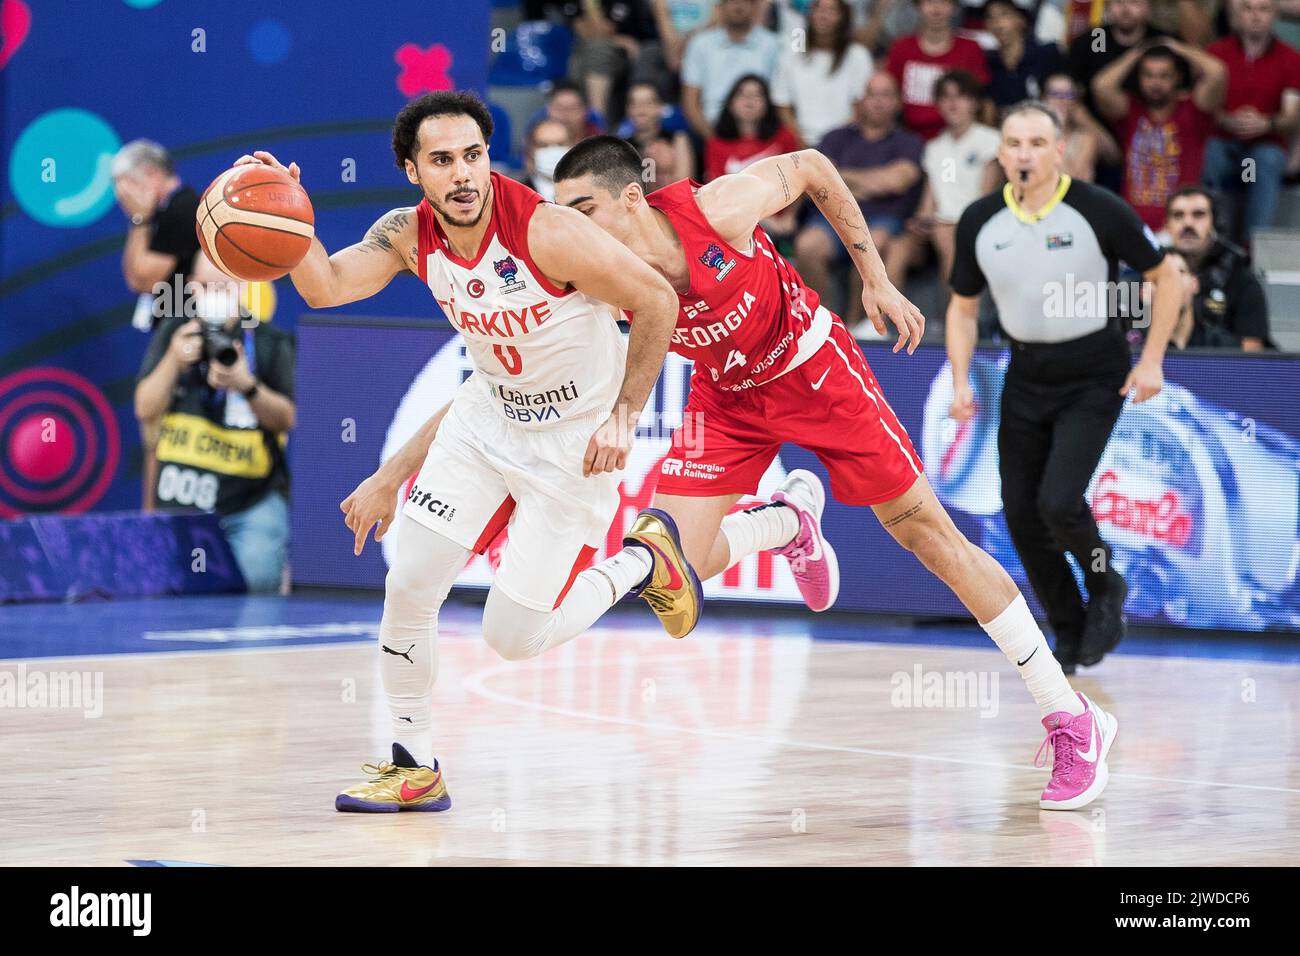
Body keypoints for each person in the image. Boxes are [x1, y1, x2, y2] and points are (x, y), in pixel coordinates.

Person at [556, 135, 1120, 812]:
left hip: (814, 373)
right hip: (727, 398)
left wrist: (876, 278)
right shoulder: (592, 271)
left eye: (581, 208)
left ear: (629, 198)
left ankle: (1070, 715)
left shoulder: (719, 208)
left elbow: (816, 166)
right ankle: (786, 523)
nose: (568, 227)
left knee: (930, 540)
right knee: (674, 568)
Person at [236, 91, 697, 811]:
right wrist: (291, 223)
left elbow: (659, 300)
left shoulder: (546, 232)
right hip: (487, 420)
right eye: (442, 160)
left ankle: (646, 559)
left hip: (573, 441)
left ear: (490, 159)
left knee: (513, 637)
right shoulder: (405, 235)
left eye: (473, 156)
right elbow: (324, 288)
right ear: (413, 170)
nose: (462, 175)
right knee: (410, 580)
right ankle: (413, 764)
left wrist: (626, 413)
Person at [945, 102, 1182, 675]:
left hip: (1094, 373)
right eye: (1014, 143)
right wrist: (959, 381)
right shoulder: (980, 220)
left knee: (1058, 502)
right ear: (1000, 153)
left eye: (1036, 143)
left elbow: (1167, 278)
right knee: (1021, 514)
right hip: (1024, 374)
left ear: (1060, 150)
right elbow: (962, 308)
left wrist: (1151, 361)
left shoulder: (1098, 209)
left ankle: (1105, 584)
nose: (1024, 153)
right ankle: (1068, 628)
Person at [134, 251, 296, 593]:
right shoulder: (173, 333)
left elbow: (289, 419)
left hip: (249, 502)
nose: (216, 295)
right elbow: (144, 408)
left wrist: (246, 384)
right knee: (170, 595)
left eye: (225, 286)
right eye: (208, 287)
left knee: (257, 582)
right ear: (191, 288)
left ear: (243, 287)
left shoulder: (268, 341)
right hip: (181, 502)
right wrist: (173, 362)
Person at [112, 139, 204, 511]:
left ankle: (156, 526)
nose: (122, 199)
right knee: (155, 429)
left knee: (161, 430)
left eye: (126, 187)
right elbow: (135, 276)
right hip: (170, 329)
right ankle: (152, 525)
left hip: (186, 334)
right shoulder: (166, 211)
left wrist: (139, 219)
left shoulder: (182, 208)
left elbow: (144, 278)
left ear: (150, 175)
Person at [794, 73, 923, 325]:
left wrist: (840, 178)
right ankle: (823, 321)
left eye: (886, 95)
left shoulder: (909, 142)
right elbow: (815, 180)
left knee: (870, 242)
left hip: (883, 221)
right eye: (872, 95)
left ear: (897, 102)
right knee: (807, 245)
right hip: (833, 219)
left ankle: (856, 323)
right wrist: (872, 183)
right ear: (861, 101)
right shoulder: (835, 138)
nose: (878, 102)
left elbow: (896, 181)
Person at [1091, 39, 1227, 230]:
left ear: (1178, 78)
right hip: (1133, 225)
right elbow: (1101, 86)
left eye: (1164, 76)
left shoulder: (1194, 111)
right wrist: (1138, 51)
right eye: (1148, 75)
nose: (1155, 83)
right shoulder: (1131, 111)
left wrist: (1176, 47)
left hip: (1178, 227)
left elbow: (1218, 72)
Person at [1204, 0, 1300, 245]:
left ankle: (1252, 249)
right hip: (1223, 140)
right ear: (1237, 13)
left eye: (1263, 9)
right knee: (1209, 154)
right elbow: (1203, 106)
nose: (1256, 16)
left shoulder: (1291, 58)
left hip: (1265, 143)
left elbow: (1291, 115)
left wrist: (1266, 123)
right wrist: (1225, 119)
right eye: (1248, 8)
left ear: (1275, 14)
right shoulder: (1215, 53)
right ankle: (1210, 241)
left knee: (1267, 159)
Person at [905, 70, 1001, 301]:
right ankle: (874, 324)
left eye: (961, 96)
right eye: (945, 97)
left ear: (975, 103)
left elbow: (986, 198)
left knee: (949, 238)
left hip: (977, 220)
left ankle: (955, 321)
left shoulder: (991, 140)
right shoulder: (934, 147)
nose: (953, 103)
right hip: (941, 221)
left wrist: (944, 221)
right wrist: (920, 220)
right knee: (896, 245)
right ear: (938, 104)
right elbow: (929, 201)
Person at [1164, 186, 1272, 349]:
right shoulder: (1150, 274)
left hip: (1222, 371)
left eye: (1198, 215)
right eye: (1178, 215)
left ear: (1214, 224)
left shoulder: (1241, 279)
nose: (1187, 223)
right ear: (1167, 226)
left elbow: (1252, 351)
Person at [771, 0, 875, 147]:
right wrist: (800, 140)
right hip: (800, 143)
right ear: (809, 13)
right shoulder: (792, 53)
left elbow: (860, 106)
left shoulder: (858, 56)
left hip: (846, 143)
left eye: (831, 10)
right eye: (818, 9)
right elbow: (782, 104)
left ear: (843, 16)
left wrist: (835, 141)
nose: (823, 16)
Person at [885, 0, 990, 141]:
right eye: (929, 1)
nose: (936, 7)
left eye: (944, 2)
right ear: (918, 6)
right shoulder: (901, 48)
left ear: (953, 7)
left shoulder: (971, 49)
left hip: (960, 139)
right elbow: (889, 95)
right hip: (908, 139)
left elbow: (982, 101)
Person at [681, 0, 781, 137]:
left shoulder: (773, 44)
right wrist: (715, 142)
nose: (738, 6)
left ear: (755, 6)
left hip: (761, 133)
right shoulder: (700, 43)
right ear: (720, 6)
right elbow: (690, 103)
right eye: (732, 2)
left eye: (745, 2)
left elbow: (780, 99)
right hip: (711, 130)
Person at [569, 0, 661, 125]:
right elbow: (586, 31)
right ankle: (589, 120)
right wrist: (616, 39)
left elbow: (602, 31)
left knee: (599, 51)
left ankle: (597, 121)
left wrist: (591, 6)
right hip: (583, 54)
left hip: (622, 56)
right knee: (591, 54)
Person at [704, 75, 802, 181]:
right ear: (730, 104)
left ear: (767, 104)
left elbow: (797, 182)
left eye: (757, 95)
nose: (749, 100)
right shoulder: (716, 144)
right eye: (742, 94)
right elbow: (715, 190)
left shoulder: (784, 138)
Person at [983, 0, 1065, 110]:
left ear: (1021, 20)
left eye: (1004, 14)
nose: (997, 23)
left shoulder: (1047, 54)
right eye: (990, 17)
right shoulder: (987, 61)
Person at [1042, 72, 1121, 182]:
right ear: (1043, 99)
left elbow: (1074, 181)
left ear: (1075, 101)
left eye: (1067, 94)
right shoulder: (1031, 137)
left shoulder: (1087, 138)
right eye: (1054, 94)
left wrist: (1056, 130)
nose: (1061, 100)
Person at [623, 82, 696, 192]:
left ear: (660, 107)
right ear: (627, 109)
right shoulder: (623, 147)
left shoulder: (677, 138)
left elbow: (684, 184)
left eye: (648, 103)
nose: (640, 110)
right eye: (634, 104)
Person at [521, 118, 574, 201]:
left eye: (560, 144)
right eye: (543, 145)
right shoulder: (515, 195)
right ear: (530, 150)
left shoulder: (588, 192)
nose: (553, 151)